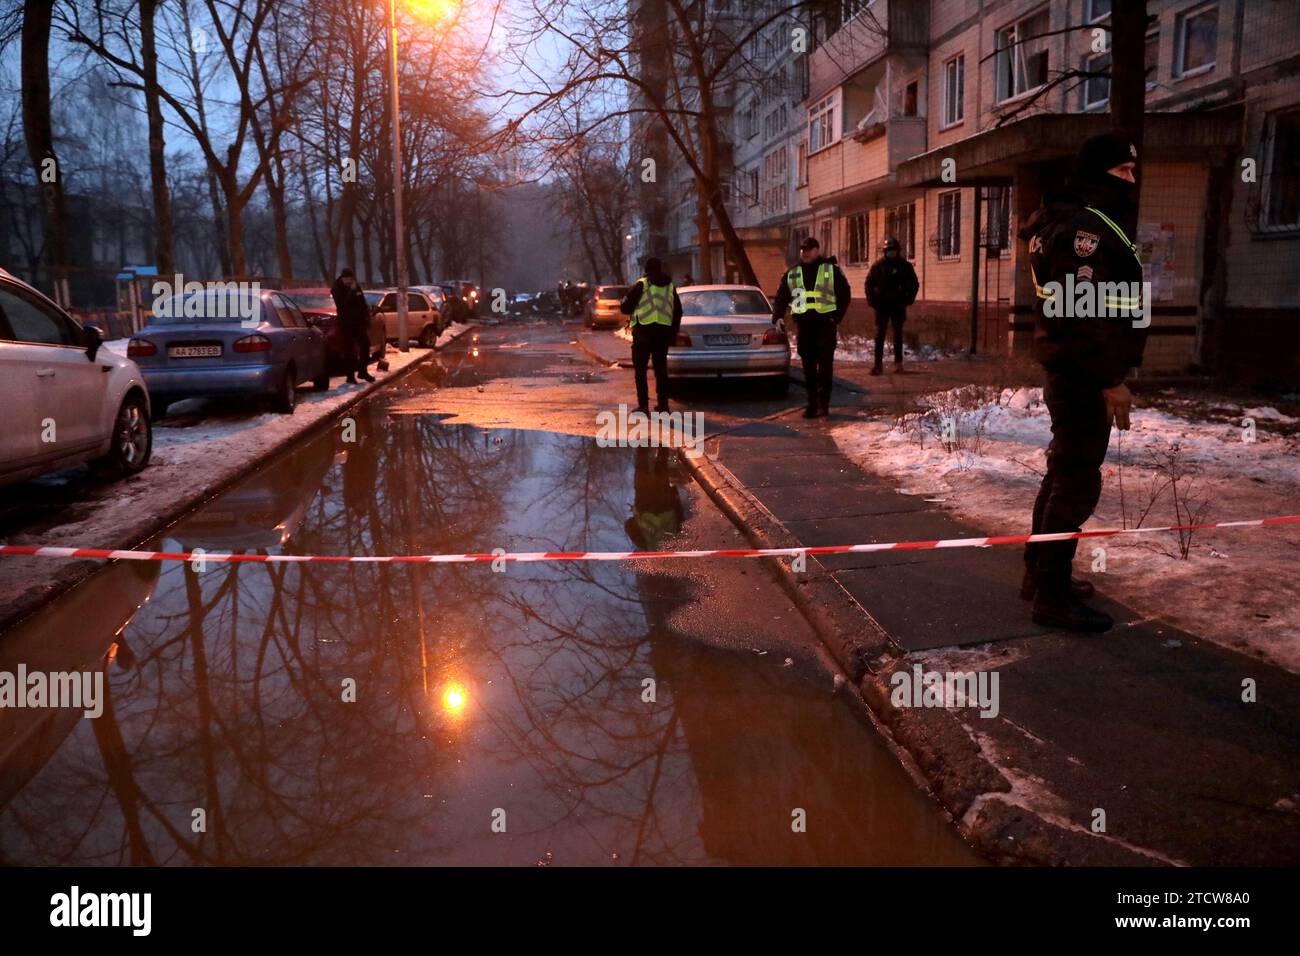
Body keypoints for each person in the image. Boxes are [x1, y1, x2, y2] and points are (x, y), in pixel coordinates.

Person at [1019, 129, 1148, 633]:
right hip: (1084, 377)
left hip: (1075, 372)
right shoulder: (1084, 231)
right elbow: (1084, 316)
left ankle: (1041, 576)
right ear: (1098, 174)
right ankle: (1051, 596)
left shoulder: (1070, 223)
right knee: (1075, 482)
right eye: (1122, 172)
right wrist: (1111, 378)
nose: (1131, 181)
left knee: (1062, 474)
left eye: (1133, 172)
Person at [770, 236, 851, 417]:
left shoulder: (830, 270)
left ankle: (824, 404)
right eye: (803, 250)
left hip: (825, 326)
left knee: (825, 367)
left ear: (817, 250)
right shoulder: (793, 273)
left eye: (809, 250)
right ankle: (811, 403)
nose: (805, 253)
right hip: (805, 327)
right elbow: (782, 296)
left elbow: (845, 294)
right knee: (808, 368)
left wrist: (835, 317)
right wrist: (777, 317)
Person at [620, 257, 683, 415]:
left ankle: (643, 406)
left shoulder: (642, 284)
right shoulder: (670, 287)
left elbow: (625, 308)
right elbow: (678, 311)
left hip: (643, 334)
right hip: (662, 335)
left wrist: (626, 301)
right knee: (661, 371)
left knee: (640, 371)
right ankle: (663, 406)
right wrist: (673, 333)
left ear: (646, 269)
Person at [864, 236, 919, 375]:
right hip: (881, 307)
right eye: (889, 251)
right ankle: (877, 366)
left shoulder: (904, 266)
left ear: (898, 251)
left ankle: (898, 364)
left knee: (898, 335)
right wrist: (872, 301)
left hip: (898, 306)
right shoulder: (878, 266)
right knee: (879, 335)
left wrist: (908, 299)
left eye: (894, 250)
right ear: (885, 251)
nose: (892, 253)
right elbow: (869, 284)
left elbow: (914, 284)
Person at [330, 268, 375, 385]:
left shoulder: (356, 286)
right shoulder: (337, 288)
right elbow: (342, 305)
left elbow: (362, 302)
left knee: (365, 345)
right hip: (346, 322)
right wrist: (351, 291)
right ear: (343, 278)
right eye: (348, 279)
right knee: (349, 349)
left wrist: (366, 317)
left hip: (359, 322)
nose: (350, 281)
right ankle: (350, 376)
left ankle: (362, 371)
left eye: (351, 279)